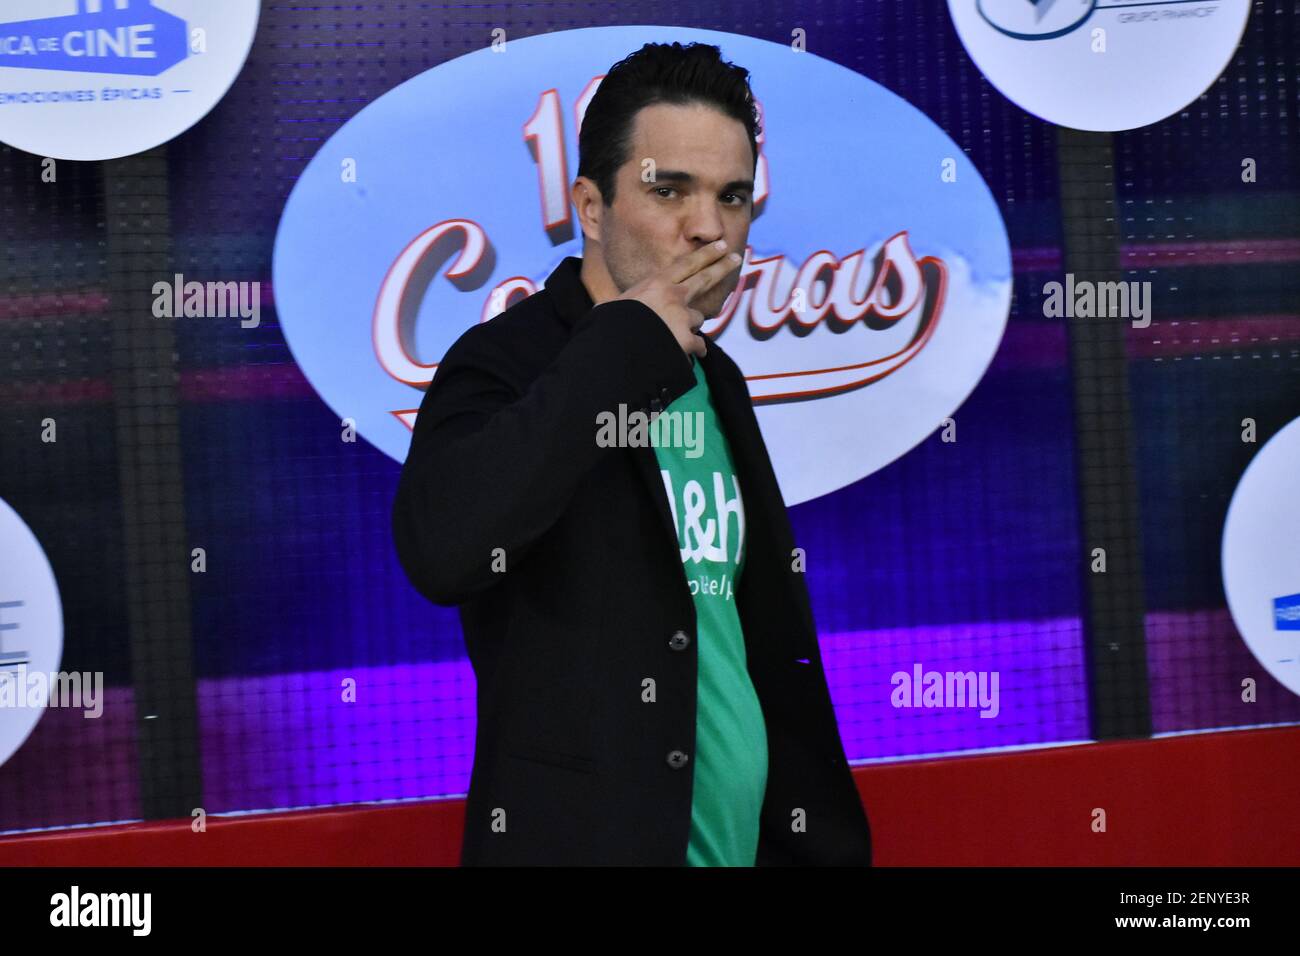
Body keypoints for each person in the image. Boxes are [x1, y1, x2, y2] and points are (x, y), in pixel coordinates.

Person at [392, 40, 871, 866]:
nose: (708, 226)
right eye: (667, 188)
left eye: (732, 196)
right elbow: (443, 551)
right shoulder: (504, 361)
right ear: (589, 206)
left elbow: (746, 643)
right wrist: (626, 342)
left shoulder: (718, 380)